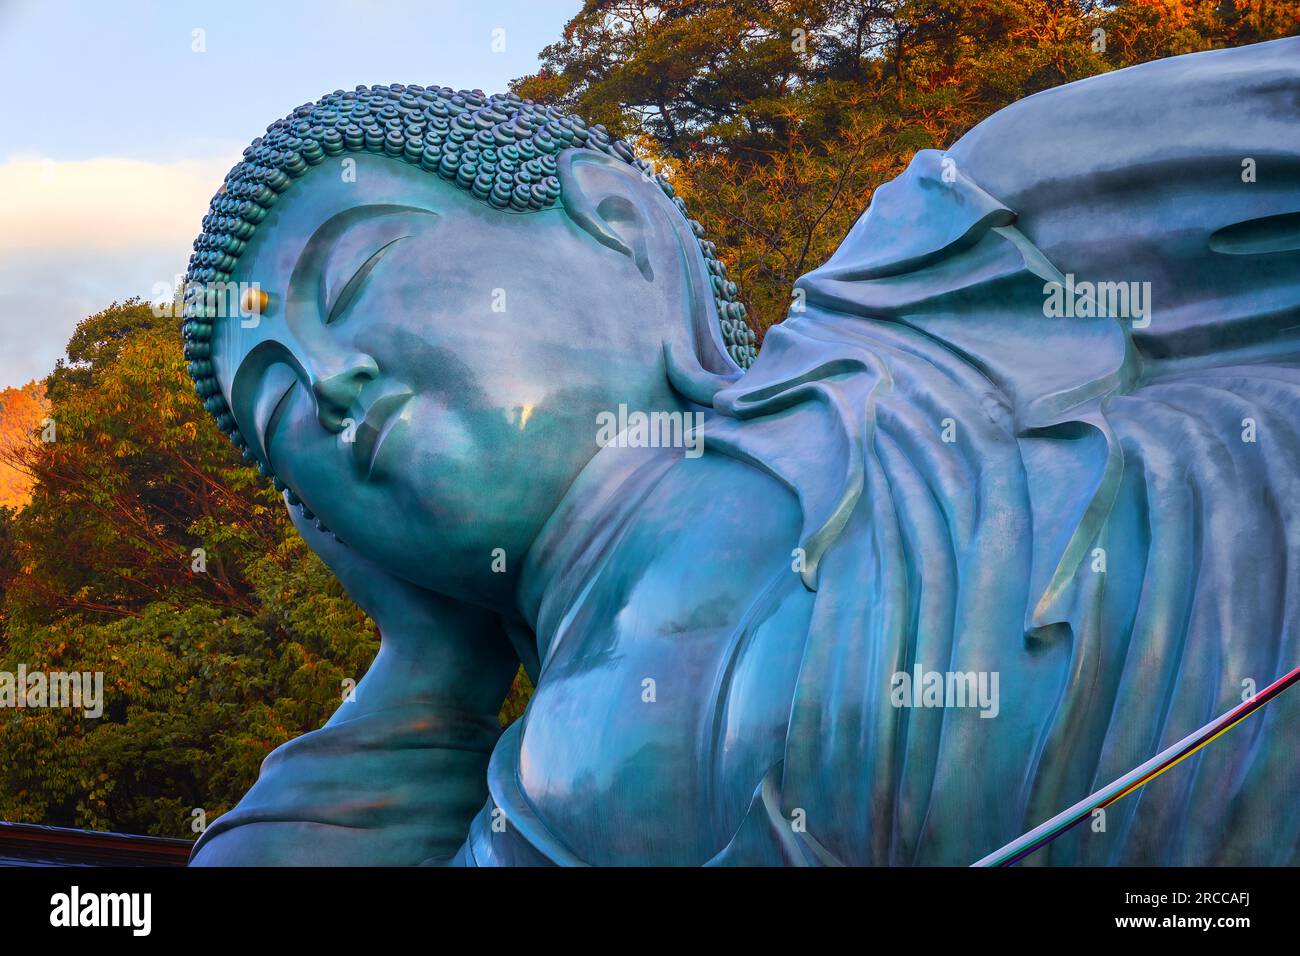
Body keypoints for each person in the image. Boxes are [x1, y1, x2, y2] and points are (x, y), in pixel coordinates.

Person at [188, 37, 1300, 866]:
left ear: (617, 225)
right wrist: (426, 672)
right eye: (279, 412)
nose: (326, 383)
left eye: (357, 278)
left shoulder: (962, 265)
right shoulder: (534, 813)